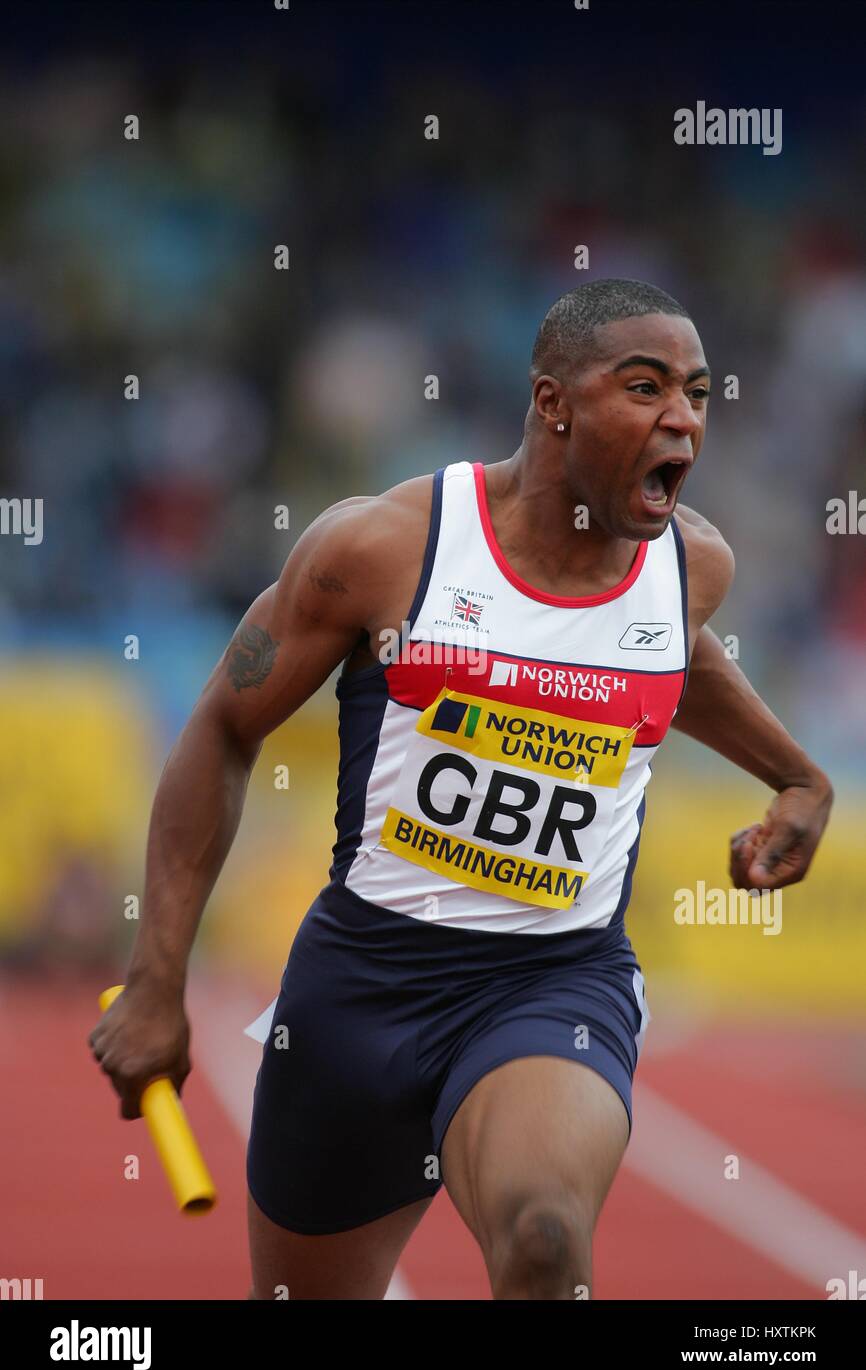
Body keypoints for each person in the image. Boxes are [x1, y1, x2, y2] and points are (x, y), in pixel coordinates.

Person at [89, 279, 833, 1300]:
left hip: (551, 981)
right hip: (357, 989)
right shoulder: (383, 548)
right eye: (645, 386)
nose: (681, 418)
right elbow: (223, 726)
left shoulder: (688, 564)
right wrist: (158, 978)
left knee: (541, 1237)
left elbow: (668, 654)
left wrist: (793, 775)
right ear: (551, 402)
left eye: (698, 394)